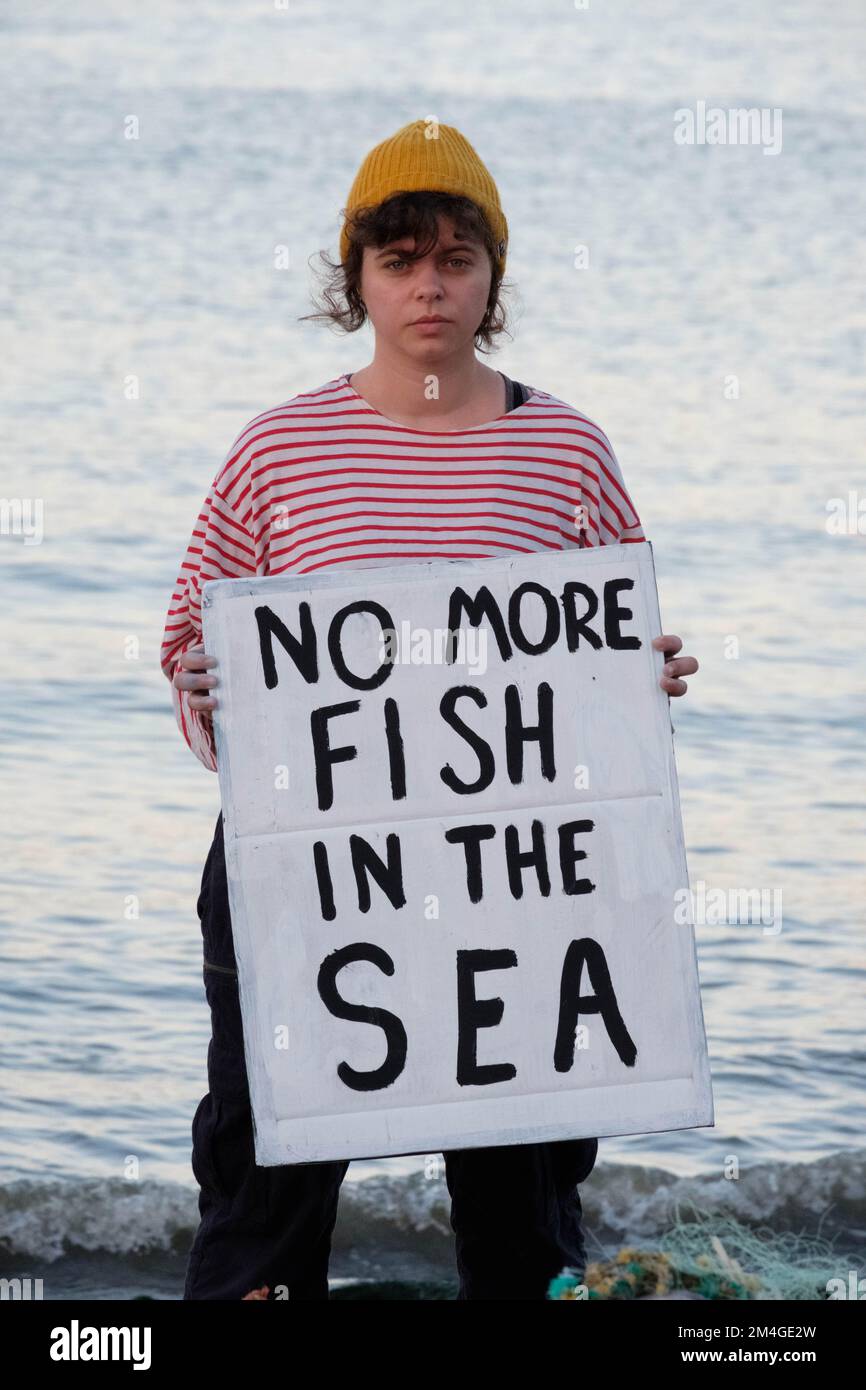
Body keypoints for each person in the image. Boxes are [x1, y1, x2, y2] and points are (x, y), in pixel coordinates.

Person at [160, 117, 699, 1301]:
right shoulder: (278, 449)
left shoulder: (564, 450)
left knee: (522, 1196)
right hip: (306, 869)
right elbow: (190, 640)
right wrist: (210, 691)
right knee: (264, 1180)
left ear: (492, 278)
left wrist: (641, 679)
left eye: (456, 257)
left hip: (512, 877)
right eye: (399, 259)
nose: (428, 285)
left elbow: (609, 672)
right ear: (354, 277)